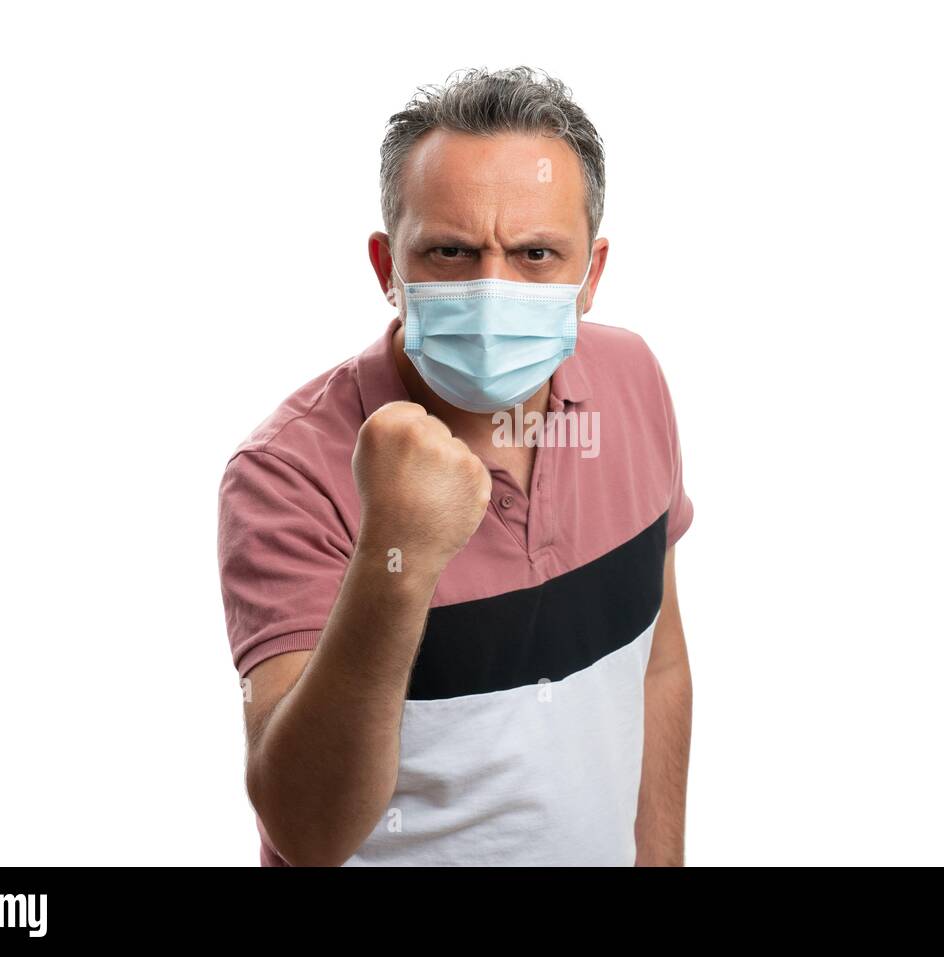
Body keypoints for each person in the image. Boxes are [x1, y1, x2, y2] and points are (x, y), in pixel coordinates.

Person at [216, 66, 694, 865]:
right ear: (386, 269)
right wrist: (395, 554)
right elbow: (305, 830)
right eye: (450, 251)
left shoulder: (632, 379)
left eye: (537, 253)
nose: (493, 288)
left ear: (592, 275)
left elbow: (662, 666)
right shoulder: (285, 473)